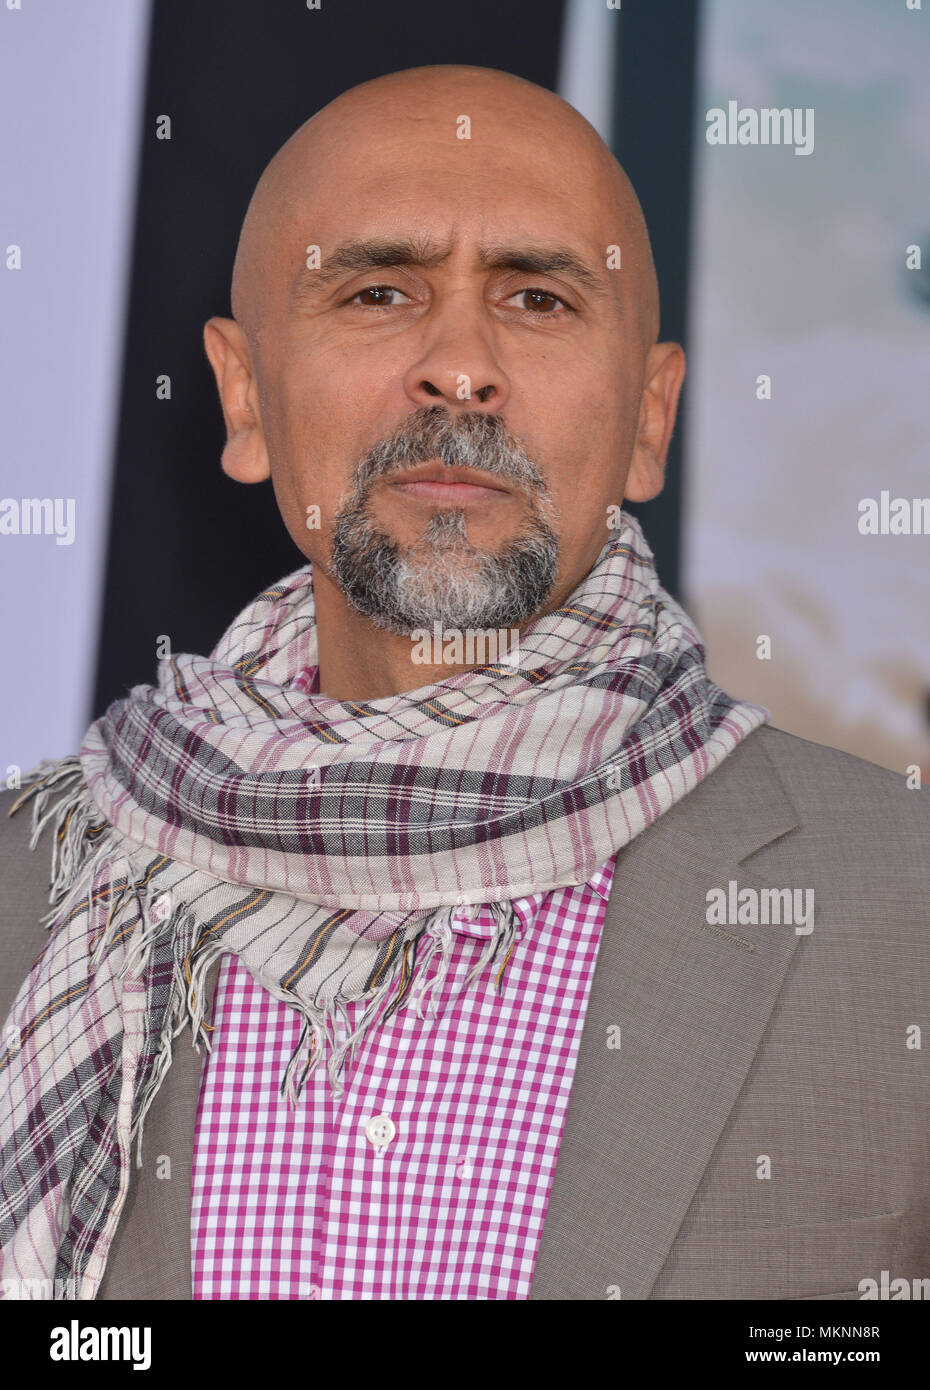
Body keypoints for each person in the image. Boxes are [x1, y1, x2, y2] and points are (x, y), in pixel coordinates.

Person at [1, 64, 927, 1303]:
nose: (459, 367)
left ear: (651, 421)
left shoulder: (902, 908)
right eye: (378, 290)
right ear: (243, 394)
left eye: (538, 298)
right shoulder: (37, 888)